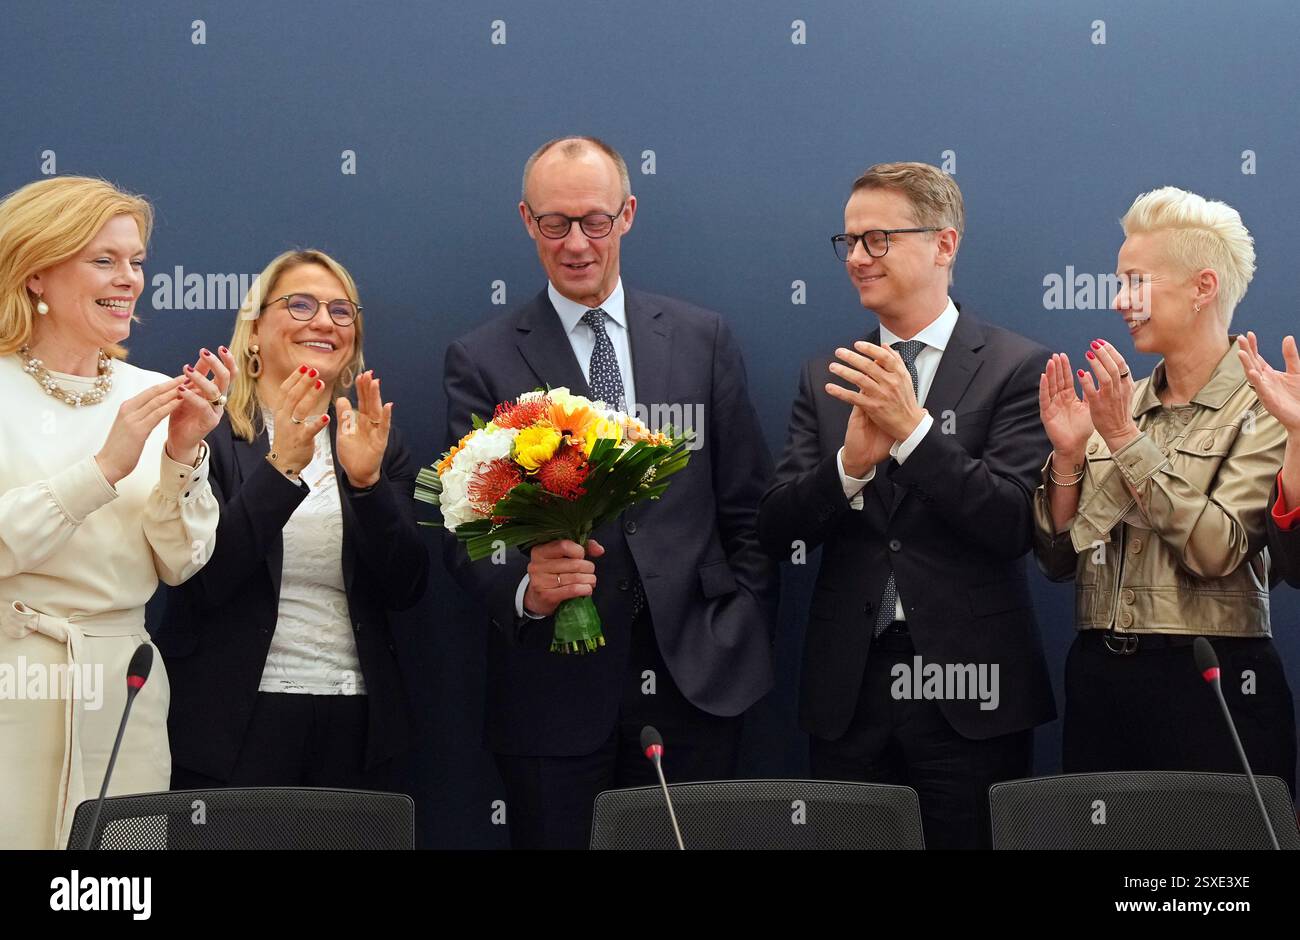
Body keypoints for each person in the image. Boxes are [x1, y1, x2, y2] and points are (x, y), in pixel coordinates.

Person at [443, 136, 777, 849]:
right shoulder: (482, 358)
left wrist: (736, 620)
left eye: (594, 220)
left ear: (627, 215)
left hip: (697, 683)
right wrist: (528, 593)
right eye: (555, 223)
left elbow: (749, 509)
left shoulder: (703, 339)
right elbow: (465, 529)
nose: (576, 243)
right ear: (527, 222)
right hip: (551, 697)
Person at [758, 162, 1056, 849]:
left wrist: (914, 432)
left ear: (944, 245)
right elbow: (776, 526)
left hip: (971, 694)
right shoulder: (828, 373)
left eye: (878, 240)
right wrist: (850, 465)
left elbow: (1012, 522)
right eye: (850, 242)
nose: (858, 258)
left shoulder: (1018, 366)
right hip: (849, 693)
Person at [1035, 186, 1295, 794]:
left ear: (1203, 287)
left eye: (1135, 282)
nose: (1120, 302)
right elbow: (1054, 558)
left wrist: (1124, 439)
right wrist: (1070, 455)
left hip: (1214, 679)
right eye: (1118, 283)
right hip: (1098, 676)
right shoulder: (1117, 405)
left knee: (1212, 886)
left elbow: (1216, 551)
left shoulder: (1268, 405)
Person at [0, 176, 227, 849]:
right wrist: (103, 470)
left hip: (124, 694)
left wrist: (182, 455)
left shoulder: (154, 396)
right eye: (103, 260)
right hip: (11, 677)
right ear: (36, 271)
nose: (128, 279)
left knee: (113, 890)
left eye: (136, 262)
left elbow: (182, 561)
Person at [157, 249, 428, 793]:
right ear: (254, 331)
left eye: (341, 311)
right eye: (300, 305)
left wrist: (368, 484)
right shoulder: (205, 432)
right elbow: (202, 580)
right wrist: (280, 470)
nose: (324, 322)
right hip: (232, 723)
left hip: (356, 721)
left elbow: (407, 587)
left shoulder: (374, 438)